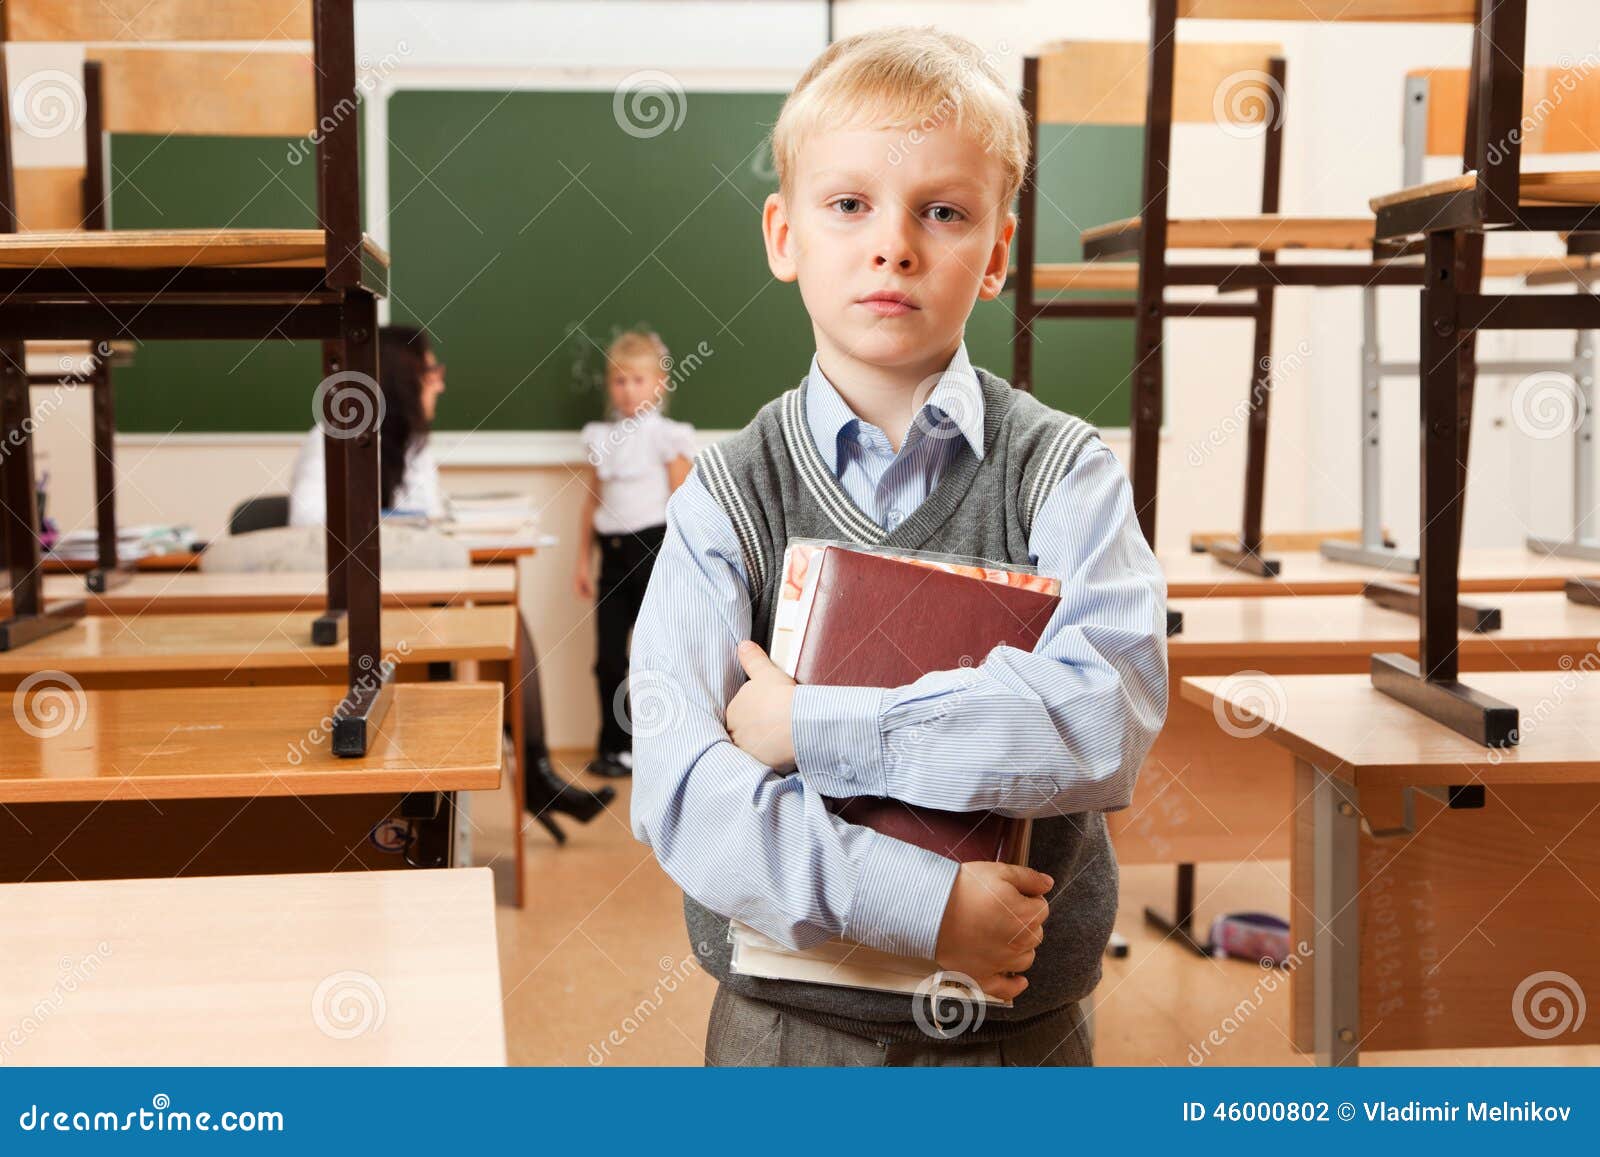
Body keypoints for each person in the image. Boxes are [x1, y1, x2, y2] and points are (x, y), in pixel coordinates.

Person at [629, 28, 1168, 1066]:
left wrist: (815, 725)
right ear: (785, 236)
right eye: (849, 206)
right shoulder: (729, 493)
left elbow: (1105, 714)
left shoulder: (1065, 473)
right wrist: (925, 907)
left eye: (944, 211)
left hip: (1020, 1043)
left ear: (999, 250)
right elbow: (681, 780)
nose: (895, 246)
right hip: (785, 1038)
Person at [287, 325, 616, 839]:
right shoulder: (332, 433)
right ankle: (536, 776)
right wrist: (396, 526)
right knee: (497, 626)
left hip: (414, 600)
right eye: (431, 372)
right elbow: (308, 521)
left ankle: (534, 771)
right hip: (353, 614)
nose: (440, 384)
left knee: (506, 621)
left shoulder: (415, 447)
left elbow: (432, 518)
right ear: (403, 379)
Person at [572, 330, 695, 777]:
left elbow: (682, 503)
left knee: (655, 655)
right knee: (608, 657)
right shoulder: (602, 437)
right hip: (612, 555)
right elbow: (592, 501)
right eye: (620, 381)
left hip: (652, 549)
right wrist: (582, 560)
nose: (628, 390)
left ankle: (659, 747)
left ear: (659, 384)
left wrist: (683, 565)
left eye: (639, 380)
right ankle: (614, 746)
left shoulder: (666, 436)